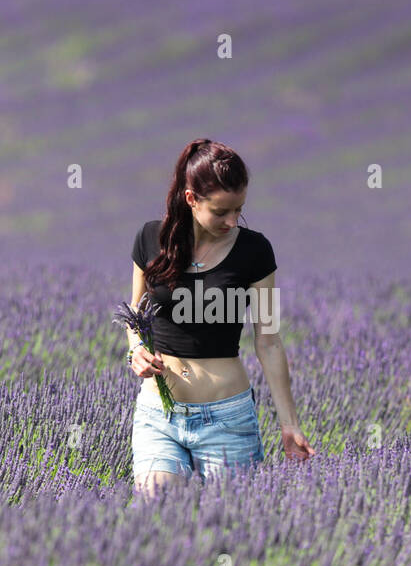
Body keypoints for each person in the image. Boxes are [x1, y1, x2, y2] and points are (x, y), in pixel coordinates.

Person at [125, 138, 315, 499]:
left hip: (227, 419)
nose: (232, 221)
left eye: (238, 210)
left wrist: (289, 424)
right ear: (191, 199)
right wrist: (135, 349)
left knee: (230, 526)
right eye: (220, 211)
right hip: (158, 416)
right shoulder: (150, 239)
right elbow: (136, 313)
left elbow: (269, 339)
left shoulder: (255, 250)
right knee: (154, 518)